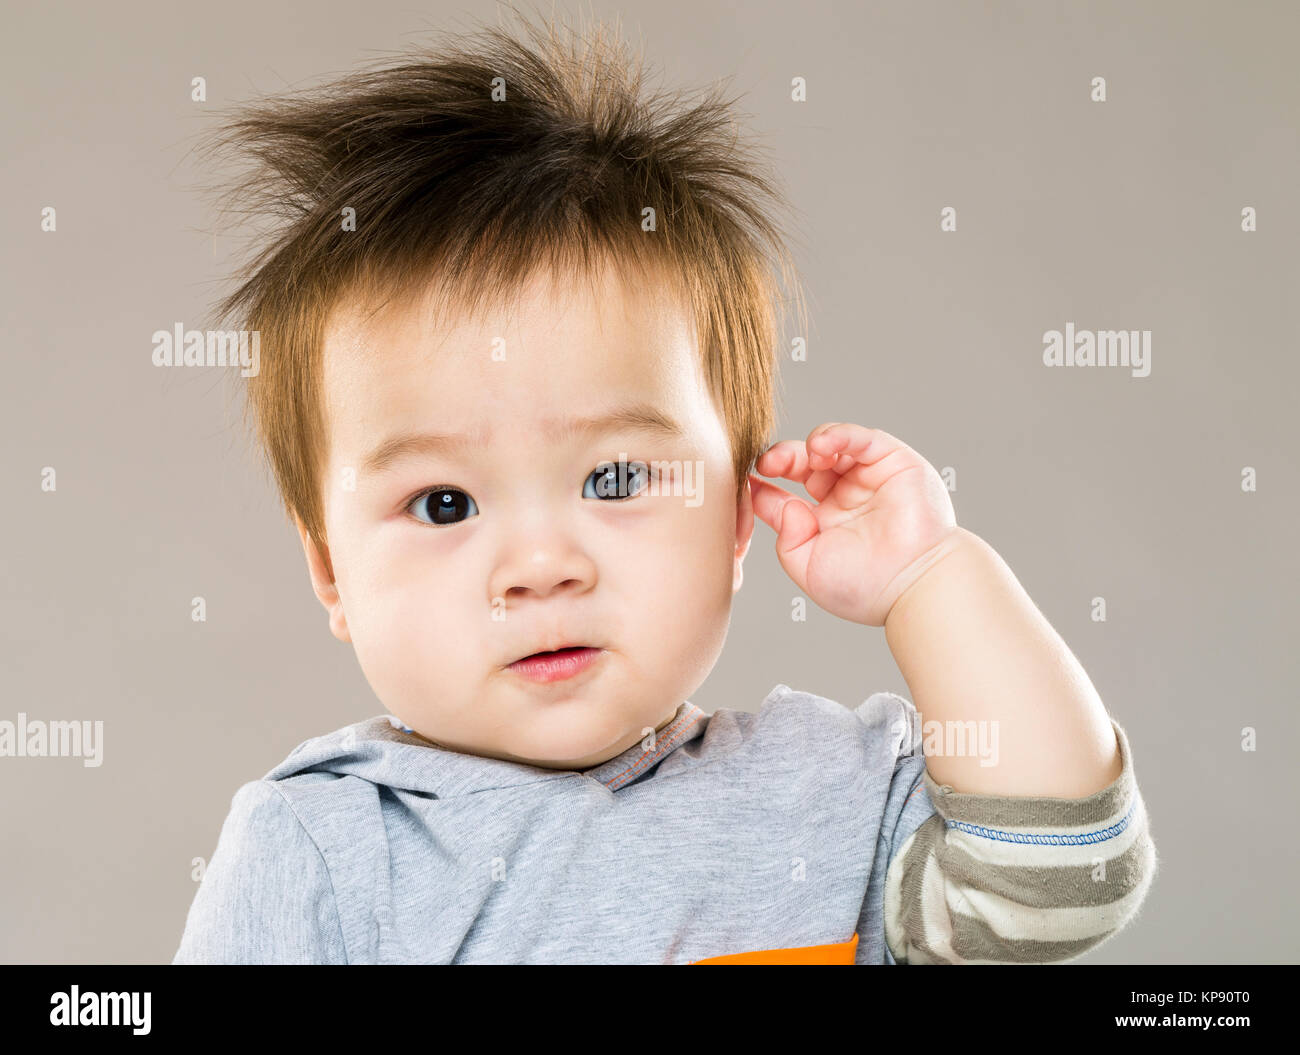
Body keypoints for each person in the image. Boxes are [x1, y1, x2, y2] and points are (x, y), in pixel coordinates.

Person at [172, 9, 1156, 964]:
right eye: (444, 503)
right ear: (330, 569)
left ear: (738, 509)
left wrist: (933, 577)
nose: (542, 565)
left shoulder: (823, 798)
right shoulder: (323, 850)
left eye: (612, 476)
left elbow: (1066, 884)